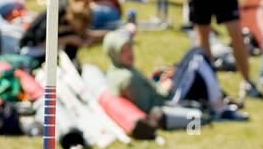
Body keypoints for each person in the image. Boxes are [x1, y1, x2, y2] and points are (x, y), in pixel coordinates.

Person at [103, 27, 244, 123]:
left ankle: (221, 100)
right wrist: (165, 87)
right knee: (197, 57)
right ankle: (219, 107)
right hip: (170, 98)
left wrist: (159, 81)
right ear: (114, 52)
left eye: (129, 48)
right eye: (124, 50)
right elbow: (150, 104)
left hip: (163, 90)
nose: (130, 53)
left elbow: (147, 91)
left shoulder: (116, 69)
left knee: (193, 53)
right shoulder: (128, 78)